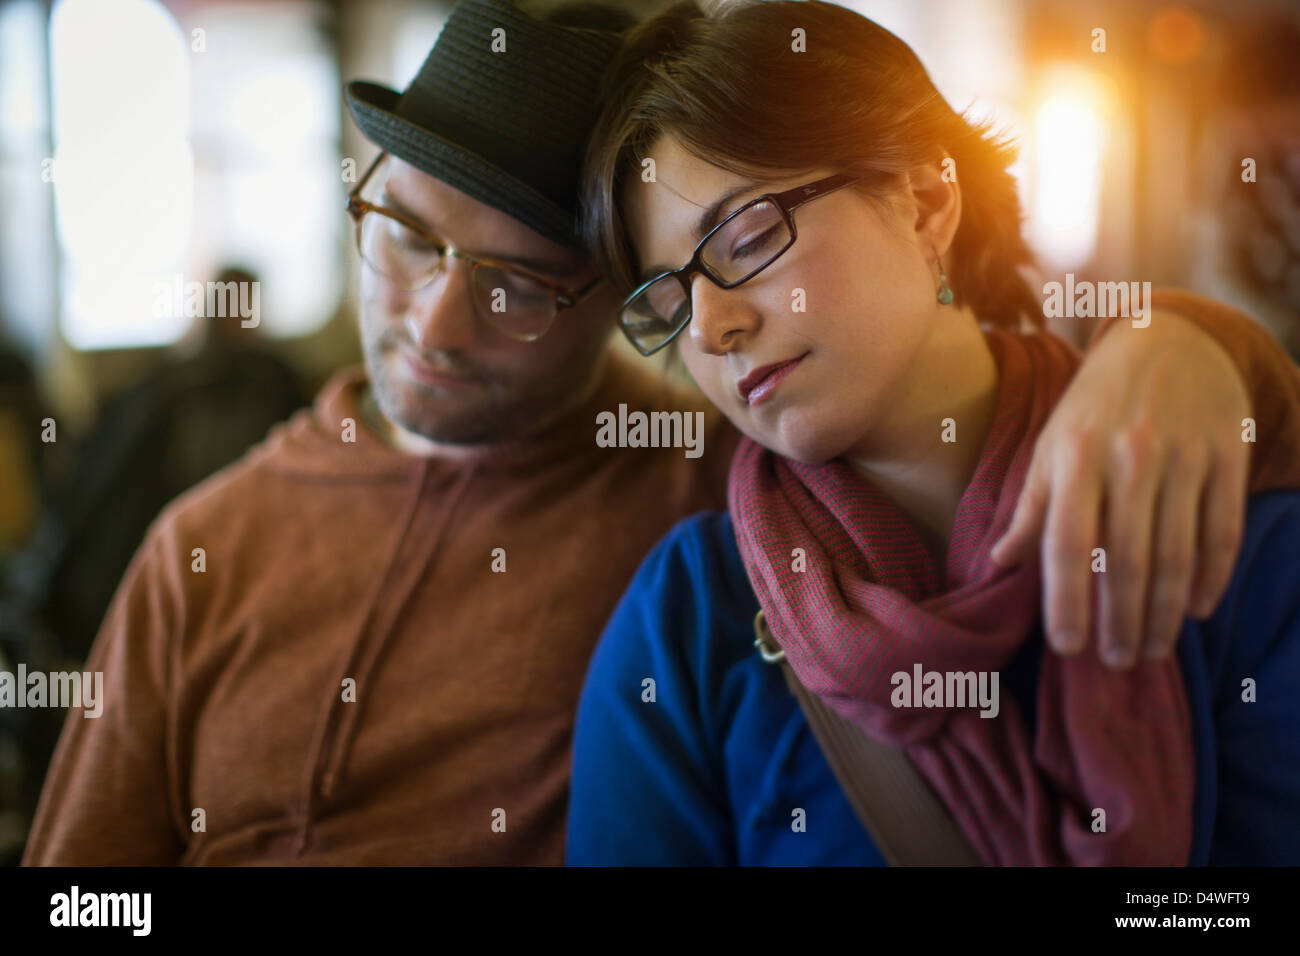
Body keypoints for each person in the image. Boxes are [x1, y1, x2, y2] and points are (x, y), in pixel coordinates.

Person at [18, 0, 1298, 866]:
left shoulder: (677, 489)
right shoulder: (206, 541)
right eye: (406, 235)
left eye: (518, 281)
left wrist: (1190, 344)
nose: (438, 317)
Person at [568, 0, 1300, 865]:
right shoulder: (689, 625)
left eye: (748, 236)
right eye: (667, 298)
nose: (710, 327)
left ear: (924, 201)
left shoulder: (1202, 510)